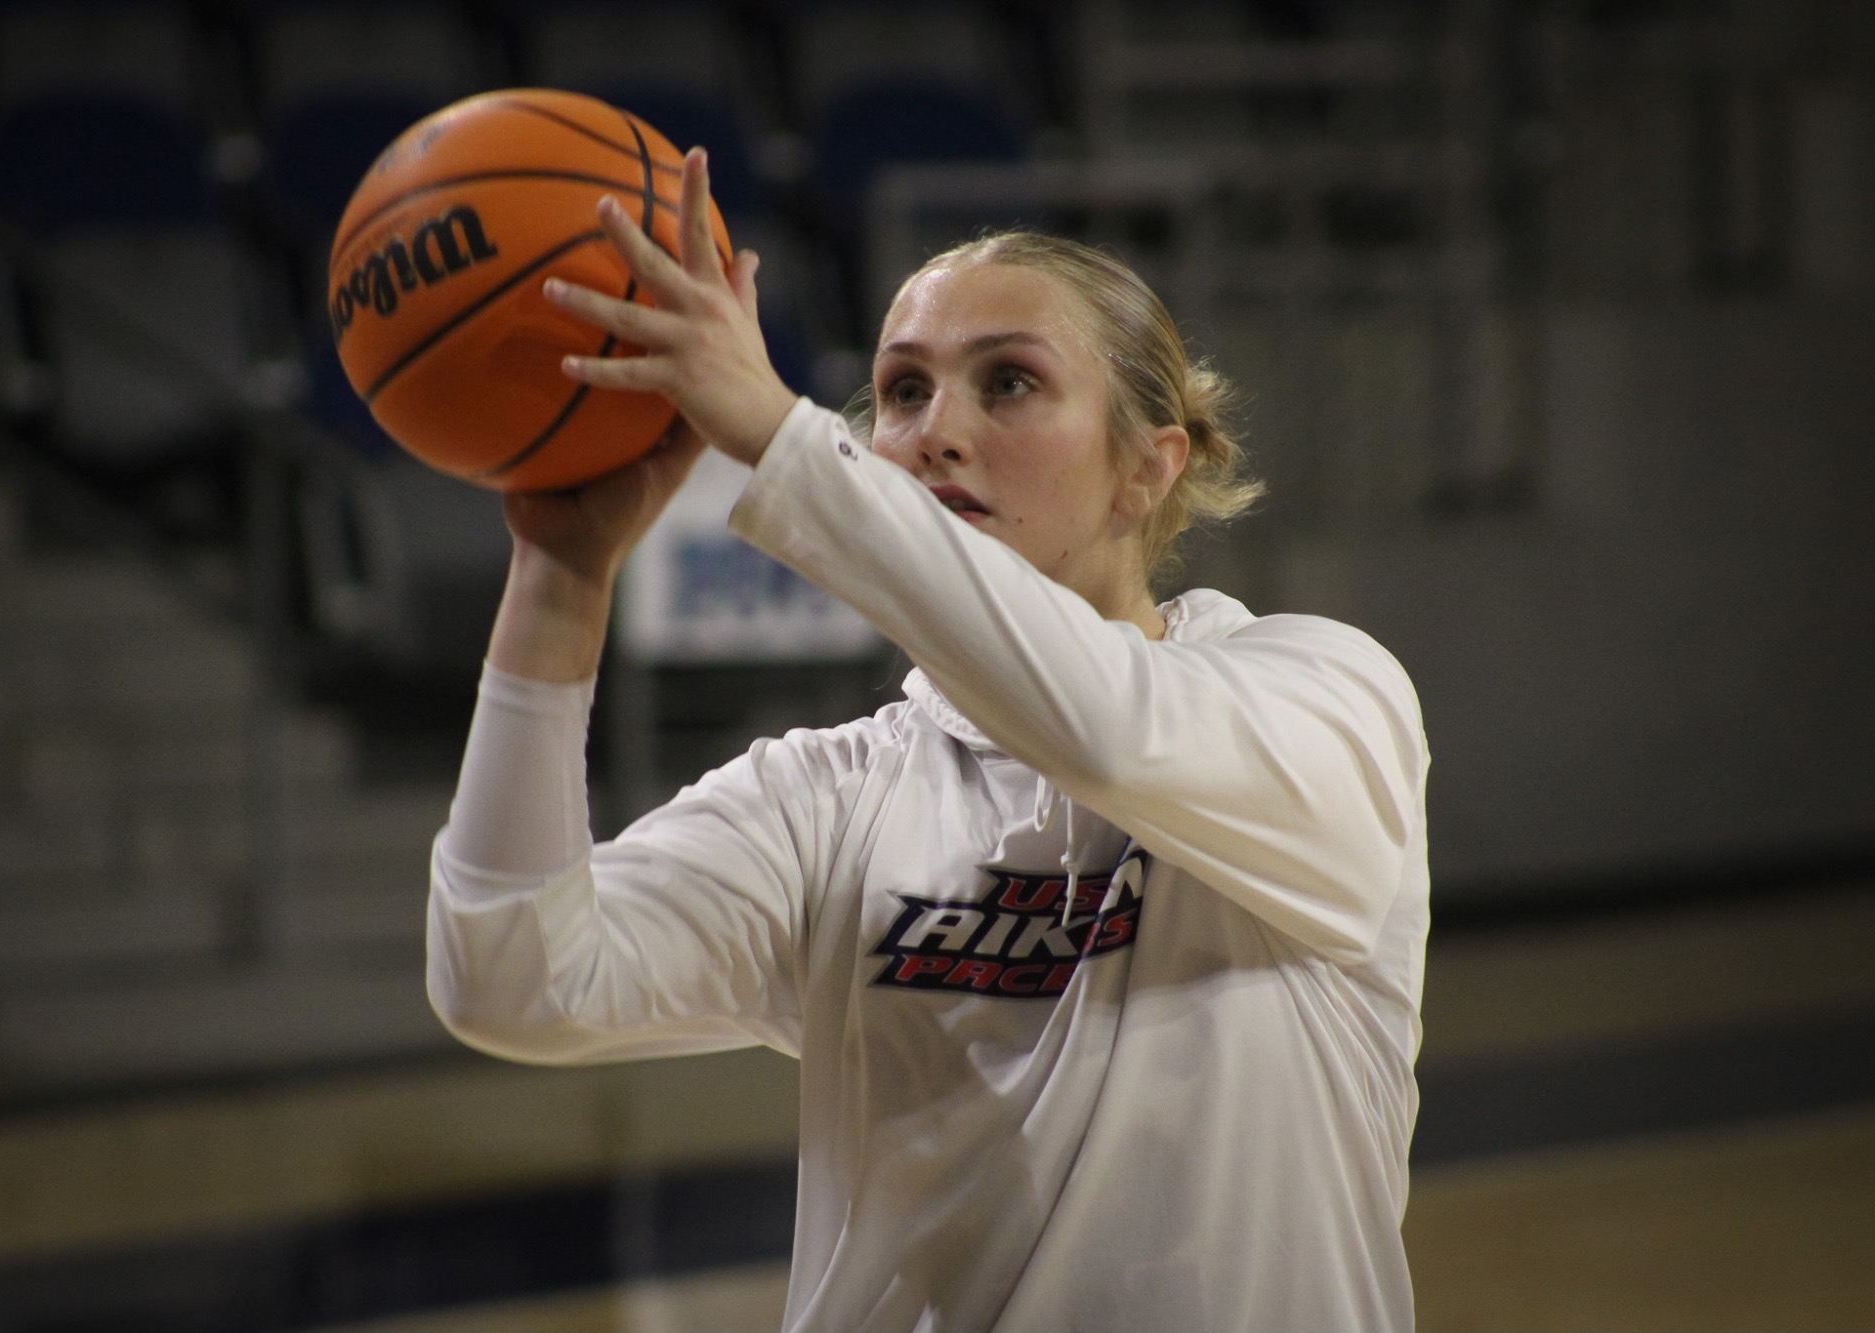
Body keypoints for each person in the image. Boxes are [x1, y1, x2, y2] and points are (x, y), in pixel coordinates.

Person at [428, 149, 1430, 1332]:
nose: (937, 430)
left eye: (1007, 382)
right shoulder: (827, 796)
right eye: (901, 391)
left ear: (1144, 470)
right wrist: (559, 575)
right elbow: (513, 978)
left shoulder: (1321, 695)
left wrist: (780, 435)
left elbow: (1106, 730)